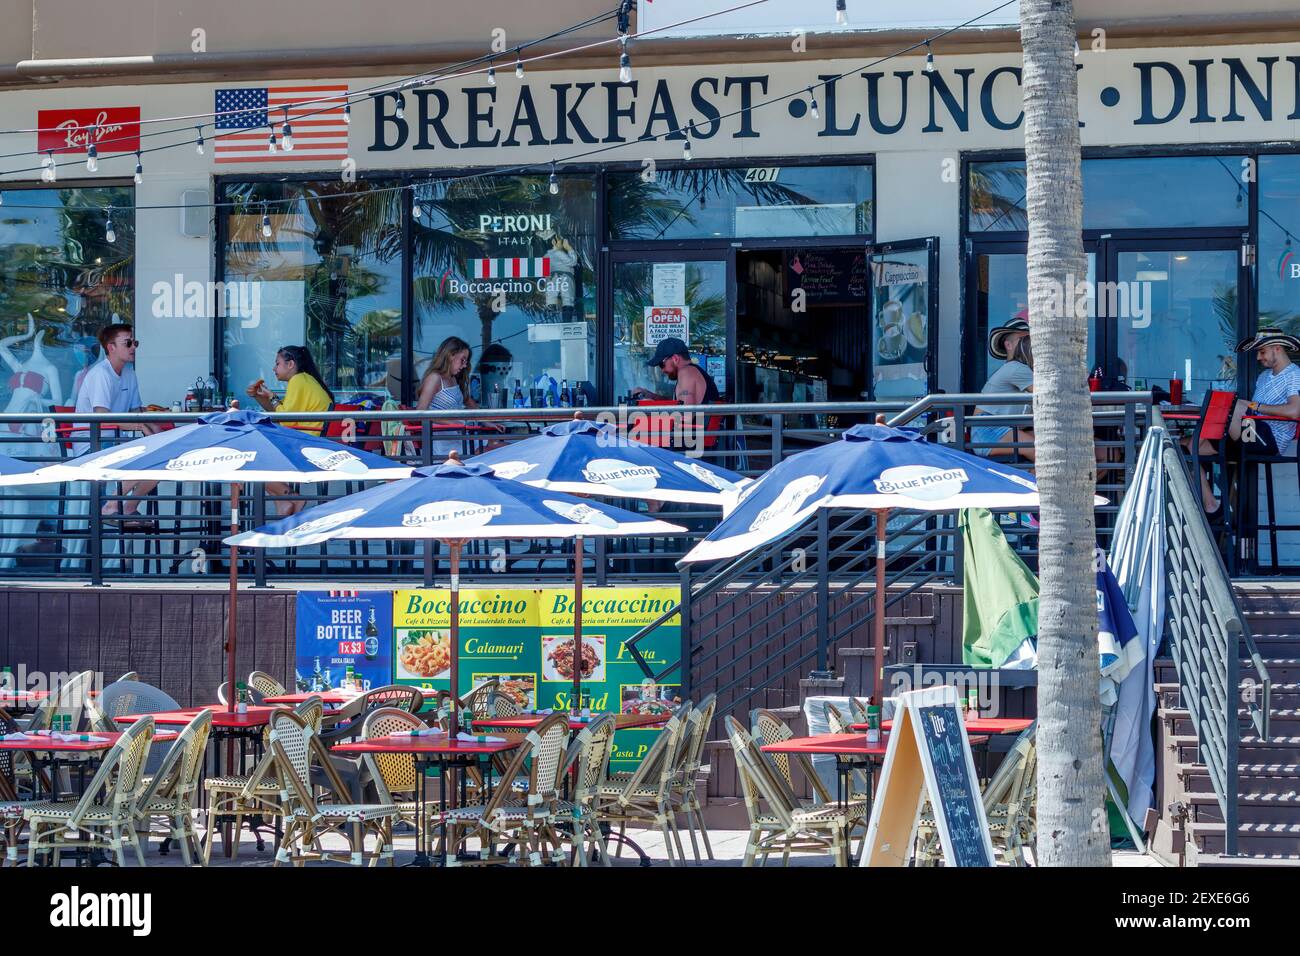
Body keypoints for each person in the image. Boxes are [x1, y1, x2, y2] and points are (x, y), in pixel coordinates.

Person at [1188, 328, 1300, 517]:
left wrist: (1252, 405)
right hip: (1248, 435)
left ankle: (1227, 494)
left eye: (1262, 351)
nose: (1258, 357)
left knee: (1235, 404)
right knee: (1189, 444)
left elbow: (1295, 411)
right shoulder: (1263, 377)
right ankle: (1211, 505)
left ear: (1278, 349)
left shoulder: (1294, 375)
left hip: (1271, 440)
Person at [73, 323, 162, 530]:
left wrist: (153, 426)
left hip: (116, 441)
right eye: (128, 343)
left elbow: (136, 411)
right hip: (92, 444)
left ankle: (128, 508)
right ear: (111, 347)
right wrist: (141, 426)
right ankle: (111, 507)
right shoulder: (100, 374)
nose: (133, 347)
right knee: (143, 456)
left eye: (135, 343)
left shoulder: (129, 372)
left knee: (162, 460)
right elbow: (101, 416)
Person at [246, 345, 334, 515]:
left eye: (277, 363)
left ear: (290, 364)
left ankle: (290, 497)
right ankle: (285, 500)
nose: (274, 368)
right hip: (307, 439)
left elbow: (285, 419)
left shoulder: (298, 380)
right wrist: (261, 397)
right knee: (257, 455)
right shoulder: (305, 380)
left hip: (302, 444)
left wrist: (271, 397)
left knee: (254, 457)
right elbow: (281, 414)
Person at [970, 316, 1034, 460]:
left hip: (1001, 428)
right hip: (989, 429)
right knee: (1046, 452)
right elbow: (1050, 396)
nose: (1028, 344)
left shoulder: (1019, 368)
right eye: (1023, 340)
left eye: (1029, 340)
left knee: (1094, 449)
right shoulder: (1017, 368)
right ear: (1008, 345)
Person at [416, 336, 479, 460]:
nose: (465, 365)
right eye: (463, 360)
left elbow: (468, 402)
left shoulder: (454, 378)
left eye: (466, 361)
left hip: (459, 436)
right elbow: (420, 411)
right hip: (443, 441)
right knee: (495, 451)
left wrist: (487, 419)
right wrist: (452, 422)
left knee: (497, 447)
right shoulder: (434, 378)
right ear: (451, 355)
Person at [631, 337, 720, 406]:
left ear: (675, 359)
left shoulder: (686, 373)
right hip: (697, 428)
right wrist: (651, 396)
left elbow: (685, 416)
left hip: (696, 429)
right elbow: (678, 404)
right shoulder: (691, 371)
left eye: (662, 365)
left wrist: (650, 407)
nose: (662, 370)